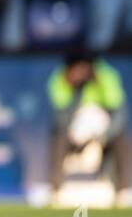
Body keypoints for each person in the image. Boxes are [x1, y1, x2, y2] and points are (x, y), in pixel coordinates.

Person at [48, 50, 132, 206]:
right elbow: (60, 116)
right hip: (73, 127)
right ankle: (56, 189)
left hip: (103, 127)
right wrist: (76, 92)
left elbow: (118, 112)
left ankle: (124, 190)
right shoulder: (59, 79)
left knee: (121, 139)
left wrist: (103, 136)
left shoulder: (106, 76)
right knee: (58, 137)